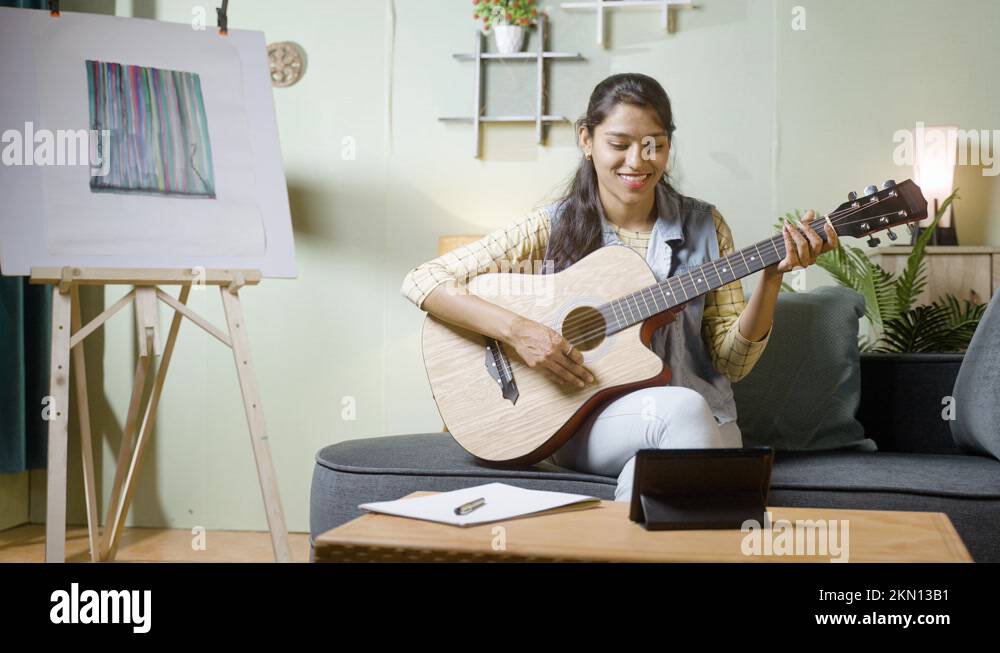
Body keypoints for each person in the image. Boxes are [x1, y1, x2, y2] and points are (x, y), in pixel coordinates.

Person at [401, 73, 837, 501]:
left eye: (654, 144)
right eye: (619, 143)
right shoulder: (549, 226)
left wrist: (772, 277)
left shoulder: (705, 225)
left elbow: (731, 363)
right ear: (586, 140)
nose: (638, 161)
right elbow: (424, 280)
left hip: (704, 419)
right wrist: (520, 332)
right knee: (682, 412)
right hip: (581, 420)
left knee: (679, 435)